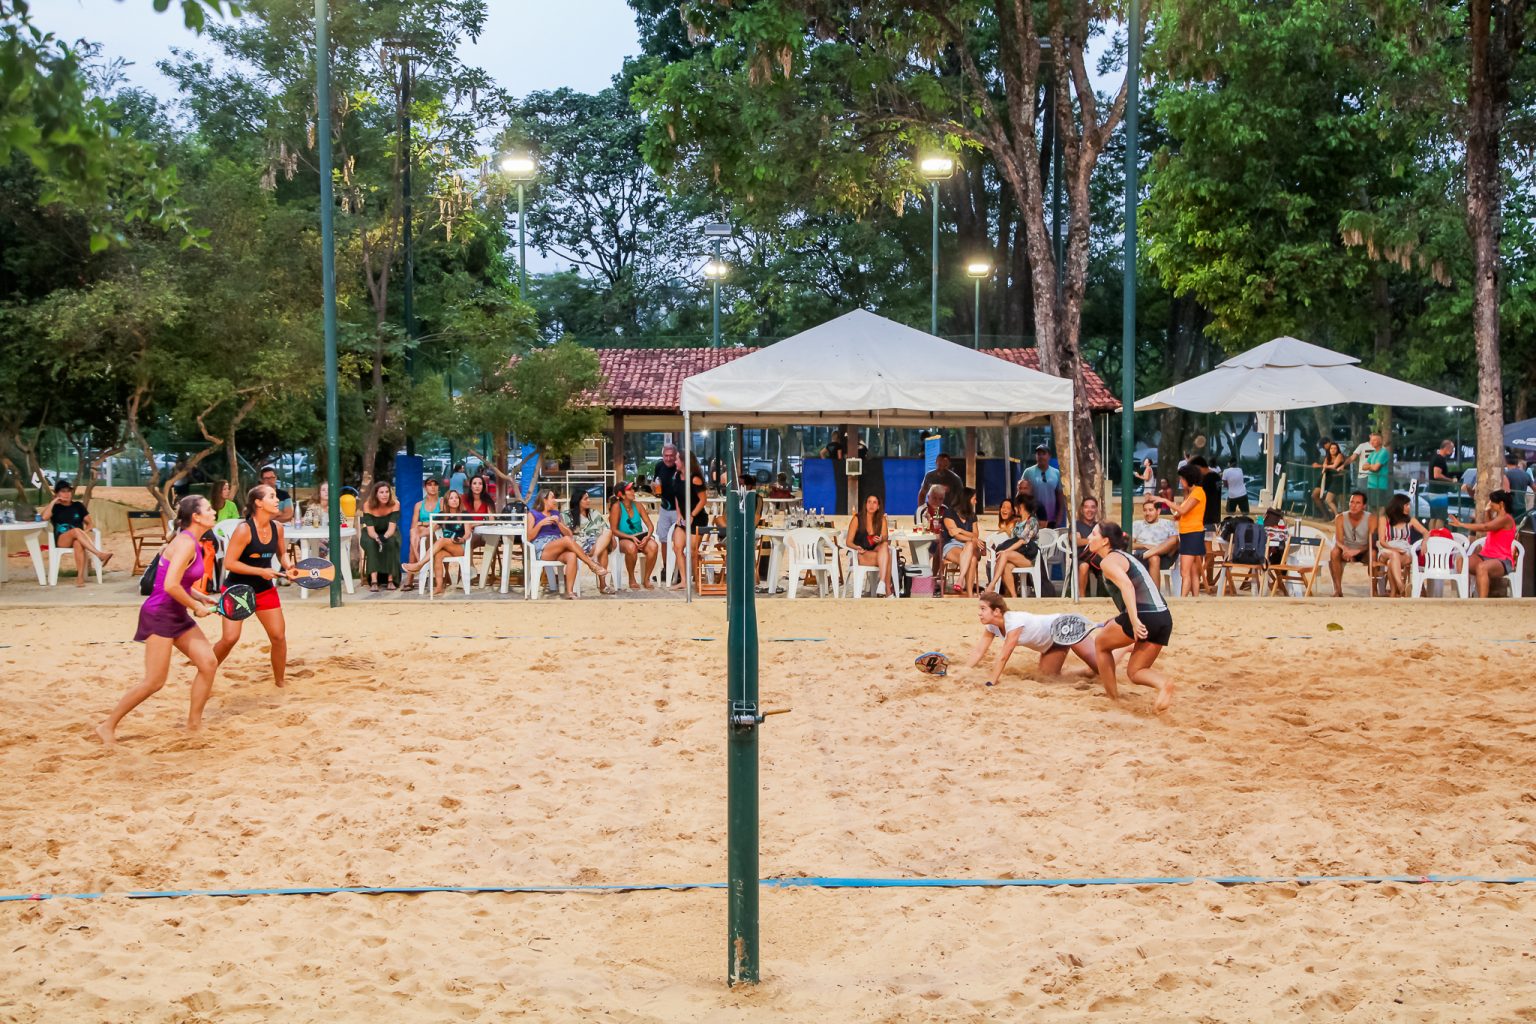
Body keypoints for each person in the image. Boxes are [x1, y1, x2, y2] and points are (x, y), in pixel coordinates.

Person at [96, 495, 219, 746]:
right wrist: (196, 606)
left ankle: (193, 724)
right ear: (196, 517)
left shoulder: (191, 541)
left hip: (176, 613)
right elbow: (170, 585)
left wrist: (199, 596)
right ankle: (107, 725)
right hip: (160, 614)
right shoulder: (185, 543)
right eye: (208, 508)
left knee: (208, 663)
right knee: (154, 681)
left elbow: (177, 581)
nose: (214, 511)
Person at [214, 484, 302, 688]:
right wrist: (260, 571)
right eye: (271, 496)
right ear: (258, 503)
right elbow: (230, 563)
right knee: (230, 639)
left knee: (278, 637)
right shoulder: (244, 530)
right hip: (237, 590)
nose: (277, 499)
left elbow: (282, 554)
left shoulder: (277, 528)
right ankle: (206, 669)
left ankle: (280, 683)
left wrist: (289, 567)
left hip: (264, 590)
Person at [1086, 522, 1176, 713]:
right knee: (1135, 671)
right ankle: (1163, 683)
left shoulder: (1108, 561)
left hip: (1143, 617)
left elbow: (1127, 586)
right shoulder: (1125, 556)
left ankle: (1112, 698)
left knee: (1101, 644)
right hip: (1163, 618)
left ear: (1105, 541)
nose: (1089, 537)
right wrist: (1124, 617)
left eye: (1093, 534)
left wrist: (1134, 620)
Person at [963, 591, 1105, 686]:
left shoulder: (1014, 622)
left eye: (983, 609)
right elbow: (979, 651)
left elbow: (1004, 656)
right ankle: (1087, 671)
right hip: (1051, 644)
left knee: (1103, 668)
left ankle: (1118, 650)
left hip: (1066, 626)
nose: (979, 613)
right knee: (1048, 677)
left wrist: (991, 681)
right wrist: (964, 670)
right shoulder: (992, 627)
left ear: (996, 611)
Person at [526, 490, 611, 598]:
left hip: (557, 545)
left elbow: (569, 534)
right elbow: (529, 537)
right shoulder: (533, 514)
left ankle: (569, 592)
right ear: (544, 500)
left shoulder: (556, 514)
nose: (555, 500)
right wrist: (540, 524)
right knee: (566, 540)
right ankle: (592, 564)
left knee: (572, 555)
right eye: (552, 498)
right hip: (542, 548)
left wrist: (558, 523)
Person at [1149, 463, 1206, 597]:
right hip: (1188, 533)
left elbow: (1183, 510)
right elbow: (1184, 513)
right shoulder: (1191, 494)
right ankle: (1195, 598)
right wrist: (1178, 515)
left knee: (1184, 571)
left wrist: (1165, 500)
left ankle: (1183, 598)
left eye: (1182, 479)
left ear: (1188, 478)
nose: (1180, 481)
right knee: (1192, 570)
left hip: (1192, 533)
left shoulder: (1198, 492)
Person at [40, 480, 112, 584]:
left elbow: (90, 524)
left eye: (68, 491)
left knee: (78, 542)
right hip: (62, 540)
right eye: (63, 491)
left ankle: (80, 577)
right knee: (76, 531)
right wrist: (53, 501)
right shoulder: (55, 508)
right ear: (57, 494)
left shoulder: (78, 506)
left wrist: (84, 533)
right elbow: (43, 518)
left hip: (78, 537)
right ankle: (99, 554)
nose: (66, 494)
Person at [403, 488, 471, 596]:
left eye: (456, 498)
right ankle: (439, 587)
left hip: (459, 547)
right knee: (438, 555)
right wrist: (416, 532)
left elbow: (468, 533)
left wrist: (463, 539)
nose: (454, 500)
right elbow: (430, 530)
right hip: (446, 546)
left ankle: (419, 564)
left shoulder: (464, 514)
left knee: (442, 540)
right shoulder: (442, 515)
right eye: (451, 498)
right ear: (447, 501)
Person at [1452, 490, 1519, 599]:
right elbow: (1489, 526)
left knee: (1482, 567)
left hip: (1502, 560)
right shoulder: (1497, 519)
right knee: (1461, 561)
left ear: (1501, 504)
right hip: (1485, 556)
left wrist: (1461, 524)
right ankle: (1465, 597)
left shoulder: (1507, 519)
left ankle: (1482, 602)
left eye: (1492, 502)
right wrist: (1487, 512)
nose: (1490, 504)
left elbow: (1485, 527)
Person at [670, 452, 711, 592]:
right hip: (683, 518)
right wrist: (679, 515)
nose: (675, 462)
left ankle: (697, 580)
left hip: (697, 518)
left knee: (693, 551)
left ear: (684, 461)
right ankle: (684, 581)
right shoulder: (677, 476)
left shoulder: (695, 478)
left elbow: (703, 500)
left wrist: (692, 515)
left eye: (677, 459)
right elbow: (677, 497)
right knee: (677, 547)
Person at [1376, 493, 1429, 597]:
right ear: (1399, 505)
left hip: (1405, 549)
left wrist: (1424, 542)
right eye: (1406, 505)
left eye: (1409, 505)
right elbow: (1382, 541)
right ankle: (1401, 585)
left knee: (1392, 561)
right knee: (1393, 554)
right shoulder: (1384, 519)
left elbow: (1426, 532)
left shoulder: (1411, 520)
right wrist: (1394, 549)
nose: (1409, 507)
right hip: (1387, 548)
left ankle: (1394, 592)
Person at [846, 493, 896, 598]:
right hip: (860, 553)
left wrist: (881, 539)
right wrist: (857, 547)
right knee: (888, 558)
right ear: (865, 505)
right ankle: (887, 590)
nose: (871, 505)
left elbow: (885, 537)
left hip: (874, 550)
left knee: (884, 545)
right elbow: (848, 542)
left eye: (874, 502)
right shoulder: (857, 519)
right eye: (869, 502)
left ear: (878, 506)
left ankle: (882, 583)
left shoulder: (881, 519)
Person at [610, 481, 658, 589]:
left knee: (654, 546)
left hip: (640, 538)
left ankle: (646, 579)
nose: (633, 491)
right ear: (622, 495)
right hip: (623, 539)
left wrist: (647, 537)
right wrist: (631, 537)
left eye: (632, 489)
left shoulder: (638, 505)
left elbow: (650, 526)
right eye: (629, 490)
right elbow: (614, 530)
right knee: (631, 547)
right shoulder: (617, 507)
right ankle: (631, 578)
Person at [987, 497, 1039, 597]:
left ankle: (992, 585)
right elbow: (1012, 539)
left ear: (1022, 507)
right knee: (1005, 566)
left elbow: (1022, 541)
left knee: (1004, 555)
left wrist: (1005, 551)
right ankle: (1013, 596)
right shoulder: (1019, 522)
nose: (1015, 509)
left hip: (1029, 556)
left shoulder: (1031, 521)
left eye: (1016, 506)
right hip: (1018, 554)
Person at [567, 489, 615, 592]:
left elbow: (605, 529)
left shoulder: (594, 513)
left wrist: (611, 538)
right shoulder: (567, 515)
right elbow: (567, 534)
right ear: (578, 501)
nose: (589, 501)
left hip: (596, 544)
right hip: (579, 545)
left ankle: (594, 558)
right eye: (586, 499)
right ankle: (603, 585)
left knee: (608, 532)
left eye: (588, 498)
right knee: (604, 550)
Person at [1328, 491, 1373, 597]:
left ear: (1364, 506)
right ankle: (1338, 590)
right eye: (1352, 502)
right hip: (1346, 550)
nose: (1353, 505)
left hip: (1363, 551)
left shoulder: (1371, 519)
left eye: (1358, 503)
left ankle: (1374, 590)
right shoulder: (1340, 518)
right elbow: (1339, 540)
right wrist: (1345, 549)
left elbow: (1371, 542)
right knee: (1334, 552)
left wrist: (1356, 551)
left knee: (1374, 554)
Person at [941, 487, 984, 596]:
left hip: (969, 545)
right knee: (972, 559)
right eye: (974, 499)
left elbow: (976, 535)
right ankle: (969, 594)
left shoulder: (972, 515)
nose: (976, 502)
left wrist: (960, 530)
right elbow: (955, 535)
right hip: (952, 544)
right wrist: (970, 538)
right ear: (967, 499)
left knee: (970, 545)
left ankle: (960, 579)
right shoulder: (949, 513)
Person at [401, 476, 443, 589]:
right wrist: (424, 525)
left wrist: (424, 523)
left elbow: (442, 521)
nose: (433, 487)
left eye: (435, 484)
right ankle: (418, 560)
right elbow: (414, 525)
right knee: (413, 532)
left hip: (437, 532)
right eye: (430, 485)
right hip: (423, 534)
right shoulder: (419, 505)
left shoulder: (442, 501)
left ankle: (414, 572)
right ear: (425, 487)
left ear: (438, 487)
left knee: (427, 529)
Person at [360, 481, 401, 591]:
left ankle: (390, 580)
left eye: (387, 492)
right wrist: (377, 538)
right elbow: (371, 531)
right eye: (381, 492)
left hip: (389, 532)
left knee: (391, 542)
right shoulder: (367, 505)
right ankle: (374, 581)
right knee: (371, 543)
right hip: (371, 532)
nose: (385, 495)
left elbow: (391, 528)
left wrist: (384, 537)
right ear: (376, 494)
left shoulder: (395, 504)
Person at [1130, 499, 1178, 579]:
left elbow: (1175, 541)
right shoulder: (1137, 524)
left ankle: (1146, 555)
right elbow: (1129, 545)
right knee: (1154, 558)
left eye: (1150, 510)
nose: (1147, 513)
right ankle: (1155, 590)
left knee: (1174, 539)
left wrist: (1157, 548)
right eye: (1145, 510)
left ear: (1158, 511)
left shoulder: (1167, 523)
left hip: (1164, 557)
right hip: (1142, 556)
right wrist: (1145, 546)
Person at [653, 443, 685, 555]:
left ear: (676, 455)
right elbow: (656, 482)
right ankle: (666, 565)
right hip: (664, 508)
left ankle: (679, 565)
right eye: (666, 455)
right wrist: (654, 487)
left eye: (671, 455)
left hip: (680, 510)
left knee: (680, 541)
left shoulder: (680, 466)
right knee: (663, 539)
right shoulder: (659, 466)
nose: (668, 458)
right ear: (662, 456)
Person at [1022, 445, 1064, 528]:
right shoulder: (1028, 472)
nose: (1041, 456)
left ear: (1049, 456)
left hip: (1051, 518)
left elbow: (1060, 494)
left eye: (1043, 454)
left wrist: (1060, 514)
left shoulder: (1056, 473)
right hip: (1032, 518)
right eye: (1038, 454)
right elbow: (1021, 492)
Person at [1309, 442, 1346, 518]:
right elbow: (1324, 468)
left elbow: (1334, 466)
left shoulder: (1340, 455)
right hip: (1325, 477)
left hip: (1336, 478)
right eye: (1331, 448)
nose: (1333, 450)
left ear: (1338, 449)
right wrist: (1323, 466)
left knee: (1332, 499)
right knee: (1315, 495)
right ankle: (1326, 514)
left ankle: (1335, 516)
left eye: (1335, 448)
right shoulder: (1327, 457)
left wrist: (1322, 466)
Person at [1074, 496, 1100, 597]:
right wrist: (1093, 541)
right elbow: (1076, 541)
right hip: (1081, 558)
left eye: (1093, 507)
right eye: (1086, 507)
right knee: (1084, 566)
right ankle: (1082, 597)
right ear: (1082, 509)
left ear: (1096, 509)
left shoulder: (1100, 526)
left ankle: (1105, 596)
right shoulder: (1076, 525)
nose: (1089, 510)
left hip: (1097, 557)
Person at [1426, 439, 1456, 521]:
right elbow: (1437, 475)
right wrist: (1451, 480)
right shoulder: (1440, 459)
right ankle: (1439, 530)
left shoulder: (1435, 457)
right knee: (1441, 518)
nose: (1453, 451)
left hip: (1433, 491)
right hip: (1439, 492)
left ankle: (1433, 530)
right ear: (1446, 447)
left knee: (1433, 517)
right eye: (1452, 448)